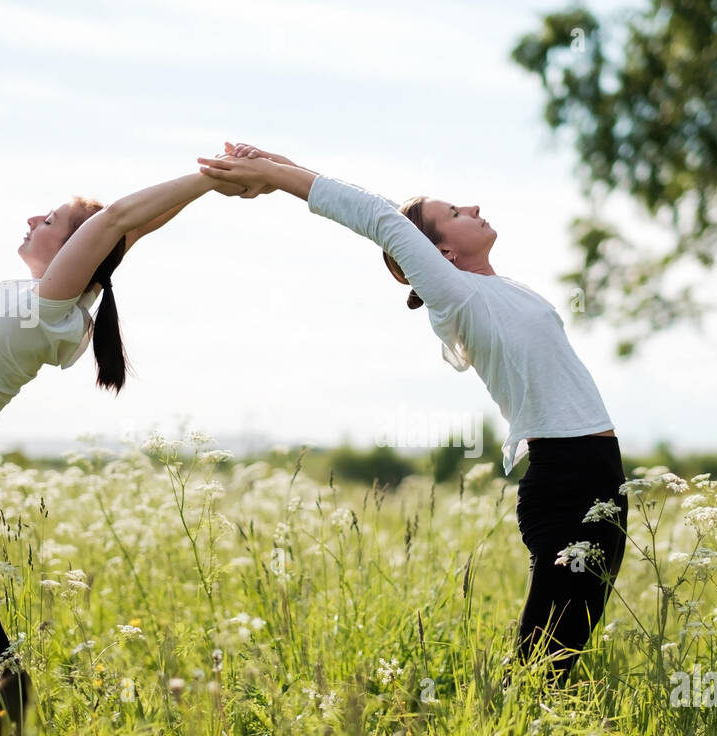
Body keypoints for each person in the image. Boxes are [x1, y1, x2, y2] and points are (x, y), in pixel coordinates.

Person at [199, 143, 627, 685]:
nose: (471, 207)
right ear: (441, 255)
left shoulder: (499, 289)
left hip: (600, 473)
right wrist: (275, 177)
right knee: (546, 657)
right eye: (454, 214)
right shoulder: (457, 295)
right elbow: (379, 217)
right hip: (564, 480)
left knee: (568, 644)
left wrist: (275, 163)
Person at [0, 164, 250, 736]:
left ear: (78, 245)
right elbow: (129, 231)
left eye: (48, 219)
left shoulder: (49, 308)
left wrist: (209, 178)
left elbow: (119, 222)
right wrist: (211, 190)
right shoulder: (65, 305)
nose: (31, 219)